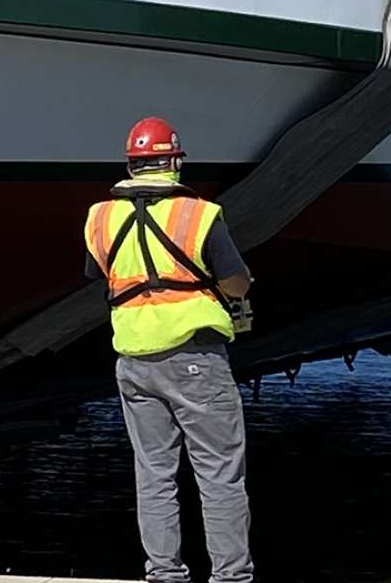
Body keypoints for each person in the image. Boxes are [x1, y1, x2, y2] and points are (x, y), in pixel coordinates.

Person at [84, 116, 254, 583]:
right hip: (196, 357)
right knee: (219, 473)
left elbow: (98, 273)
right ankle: (231, 577)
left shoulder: (99, 217)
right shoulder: (200, 215)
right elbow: (236, 282)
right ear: (176, 162)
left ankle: (163, 573)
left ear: (132, 165)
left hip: (135, 361)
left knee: (154, 474)